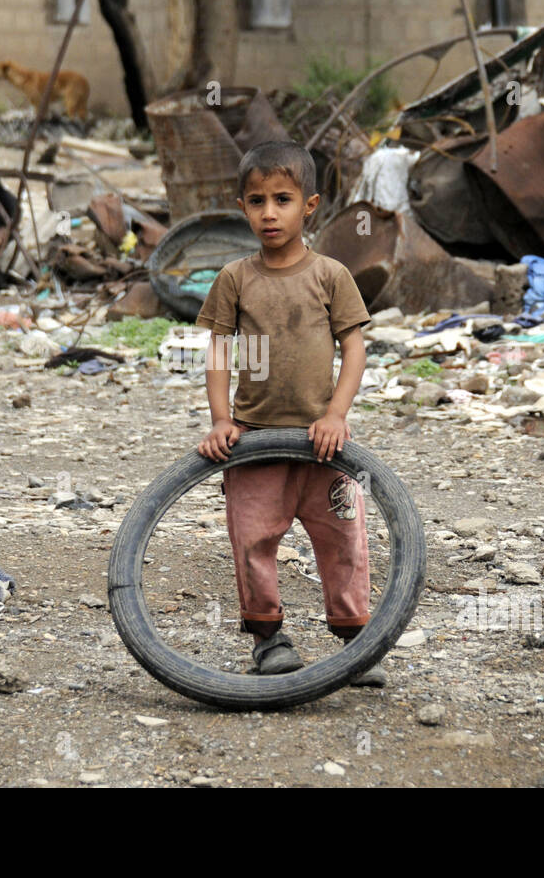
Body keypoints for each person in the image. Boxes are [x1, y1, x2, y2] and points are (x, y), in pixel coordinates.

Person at [195, 140, 386, 687]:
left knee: (343, 537)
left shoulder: (330, 275)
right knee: (253, 538)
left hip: (322, 443)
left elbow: (355, 348)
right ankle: (269, 640)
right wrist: (221, 419)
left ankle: (355, 640)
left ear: (310, 205)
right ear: (243, 208)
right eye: (256, 201)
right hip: (254, 440)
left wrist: (337, 414)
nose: (269, 212)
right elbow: (218, 351)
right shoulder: (235, 278)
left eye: (283, 199)